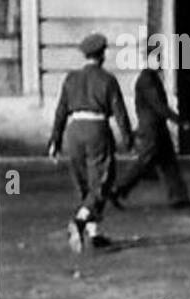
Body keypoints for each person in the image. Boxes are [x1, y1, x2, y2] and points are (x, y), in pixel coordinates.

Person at [47, 32, 134, 252]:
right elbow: (120, 112)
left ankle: (94, 234)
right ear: (102, 55)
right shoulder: (107, 79)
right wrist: (129, 140)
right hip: (97, 129)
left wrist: (54, 141)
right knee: (102, 180)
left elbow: (60, 111)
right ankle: (79, 222)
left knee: (83, 181)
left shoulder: (71, 78)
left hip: (74, 130)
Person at [114, 49, 190, 208]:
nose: (160, 62)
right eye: (157, 59)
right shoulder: (147, 80)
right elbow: (158, 105)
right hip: (152, 129)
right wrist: (178, 121)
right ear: (148, 60)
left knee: (169, 163)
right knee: (144, 162)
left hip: (157, 128)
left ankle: (178, 198)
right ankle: (118, 188)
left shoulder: (151, 78)